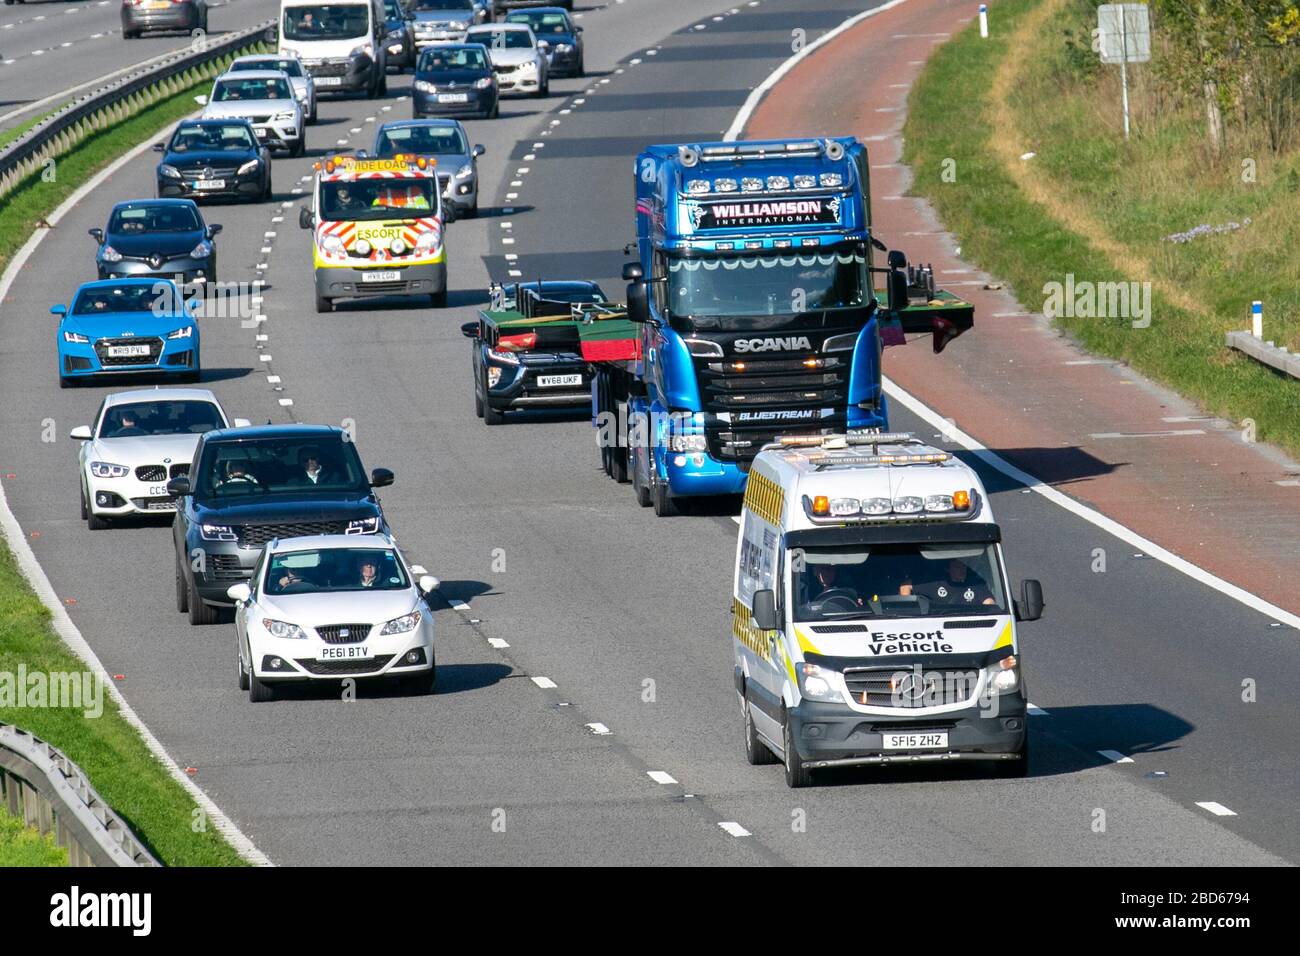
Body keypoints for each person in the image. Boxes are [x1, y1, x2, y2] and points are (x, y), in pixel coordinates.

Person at [907, 558, 996, 607]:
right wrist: (909, 609)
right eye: (957, 567)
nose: (962, 570)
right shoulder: (936, 584)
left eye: (963, 566)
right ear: (948, 569)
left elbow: (989, 603)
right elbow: (905, 586)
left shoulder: (975, 585)